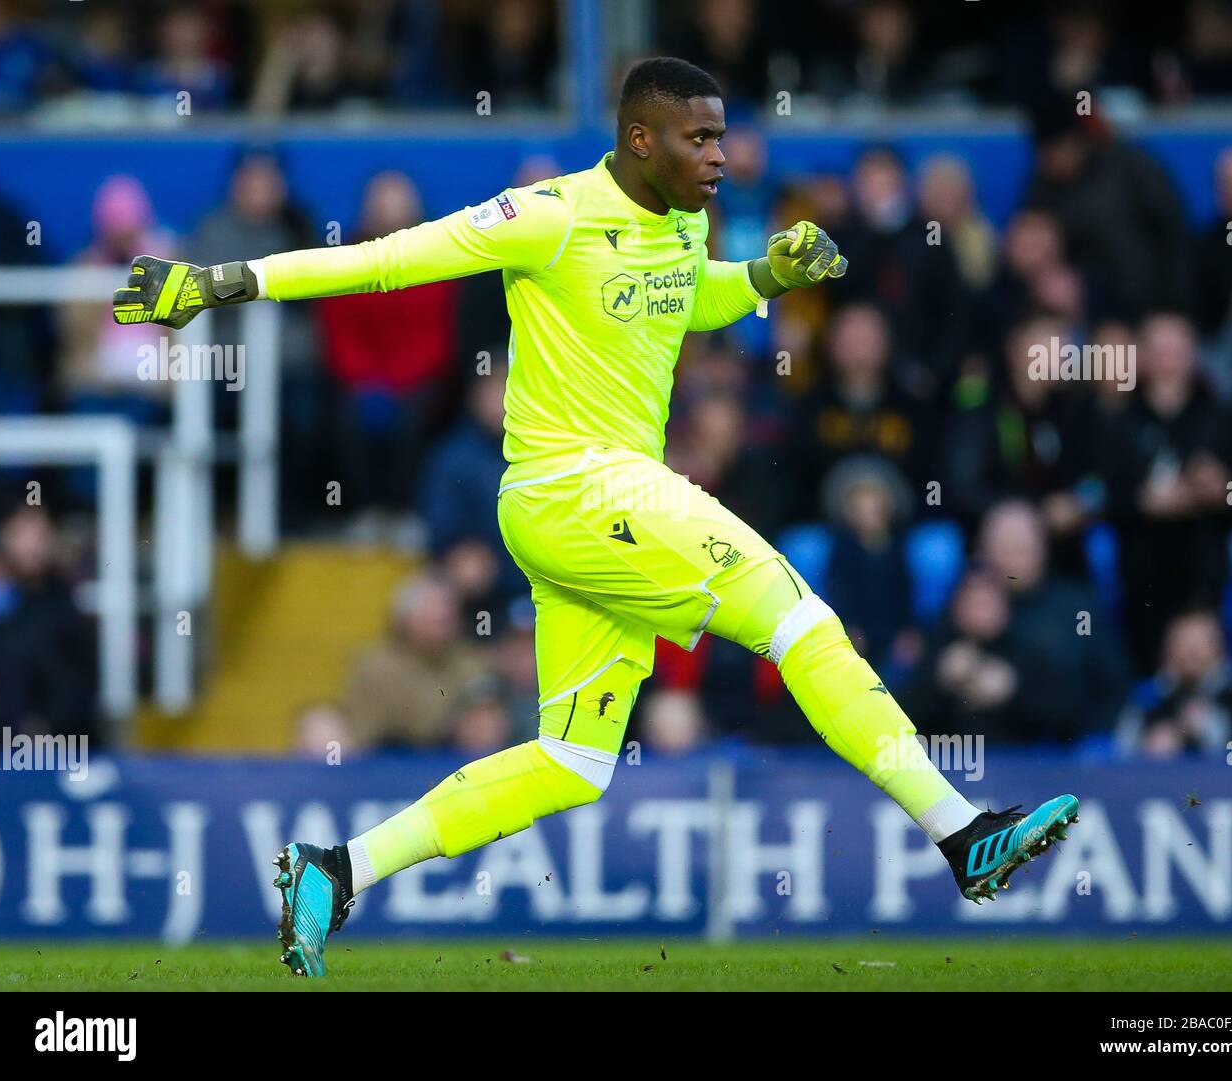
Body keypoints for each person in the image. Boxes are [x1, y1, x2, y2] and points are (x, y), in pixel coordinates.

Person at [113, 57, 1078, 978]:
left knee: (573, 761)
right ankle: (962, 831)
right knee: (800, 618)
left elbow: (678, 303)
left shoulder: (682, 222)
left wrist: (763, 280)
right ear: (638, 136)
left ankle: (334, 871)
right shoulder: (552, 213)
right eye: (699, 140)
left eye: (723, 139)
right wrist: (225, 280)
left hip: (586, 512)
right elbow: (390, 262)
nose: (719, 158)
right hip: (581, 485)